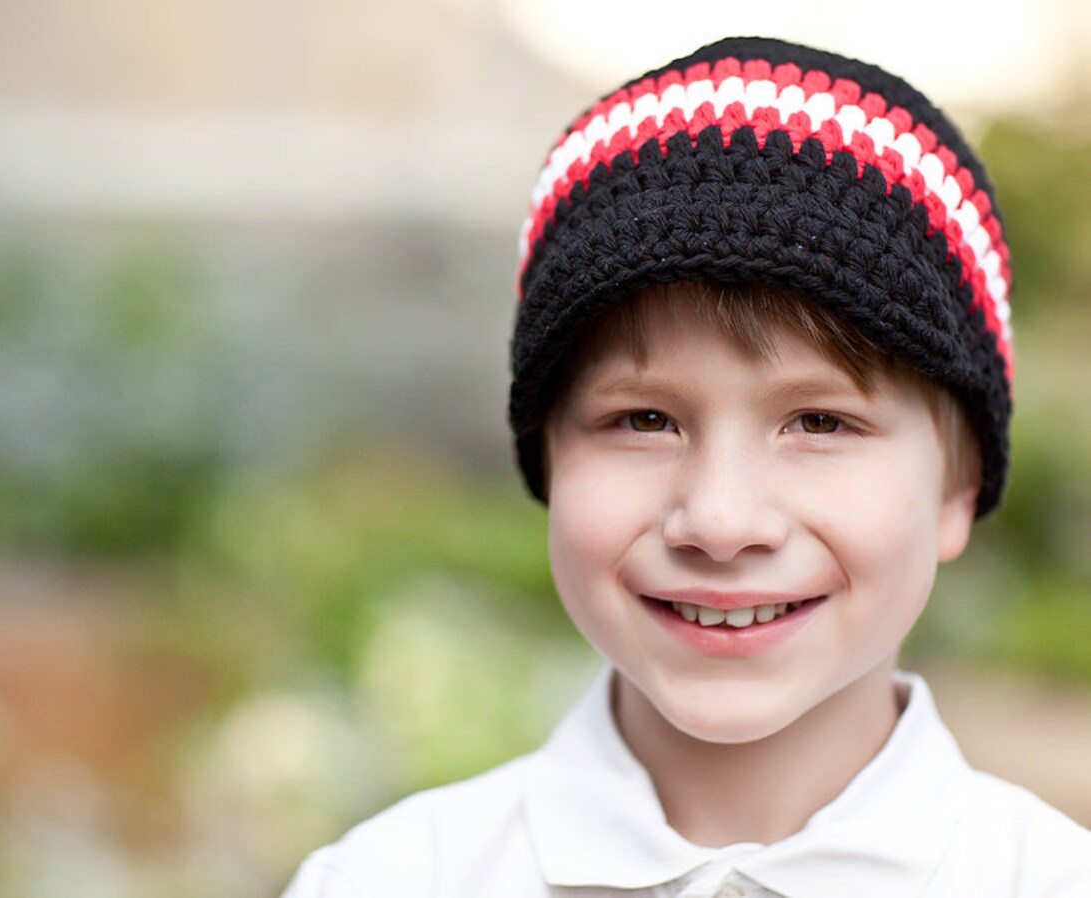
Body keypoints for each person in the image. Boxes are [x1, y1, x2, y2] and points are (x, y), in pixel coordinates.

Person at [282, 36, 1091, 896]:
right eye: (644, 420)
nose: (719, 521)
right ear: (547, 457)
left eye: (820, 420)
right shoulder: (390, 878)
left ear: (958, 489)